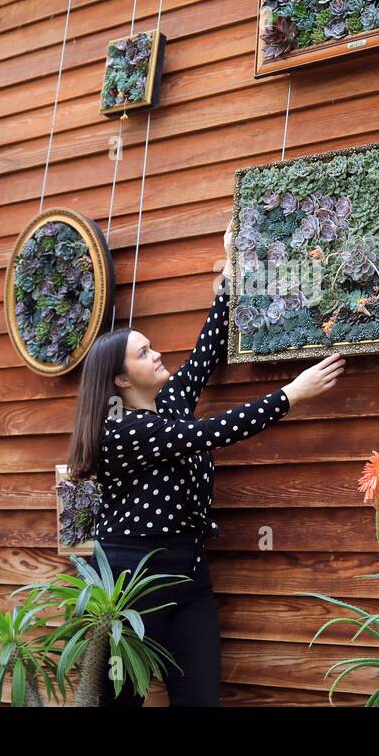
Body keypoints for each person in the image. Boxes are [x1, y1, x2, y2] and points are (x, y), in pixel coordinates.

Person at [65, 218, 345, 706]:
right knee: (119, 703)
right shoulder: (124, 430)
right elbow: (213, 432)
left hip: (189, 575)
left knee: (199, 698)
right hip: (131, 586)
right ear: (121, 380)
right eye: (144, 353)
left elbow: (204, 354)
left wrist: (230, 272)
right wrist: (292, 394)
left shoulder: (168, 403)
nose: (157, 354)